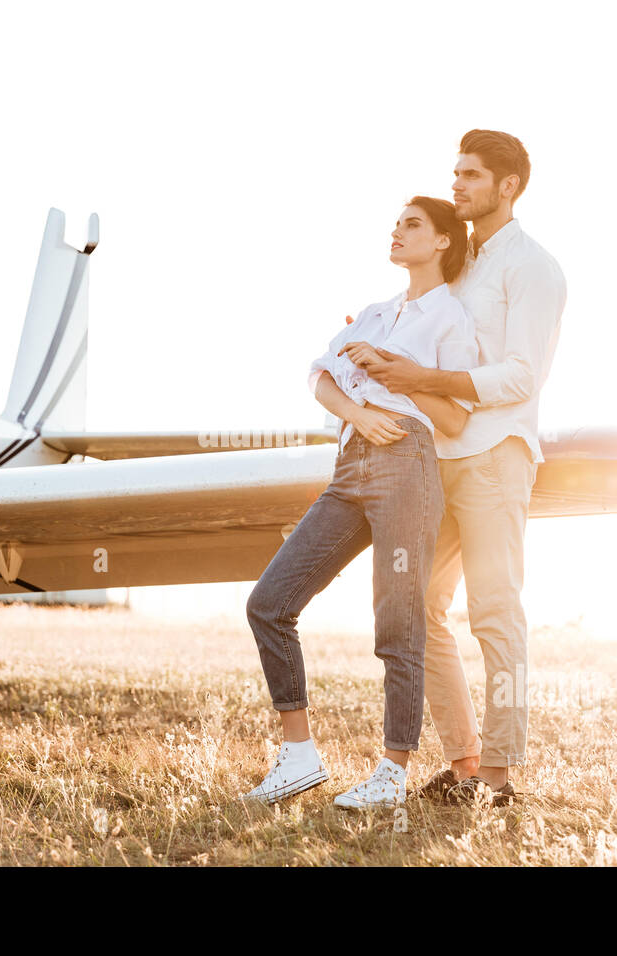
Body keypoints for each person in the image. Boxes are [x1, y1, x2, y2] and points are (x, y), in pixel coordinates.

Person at [243, 196, 476, 809]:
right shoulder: (373, 312)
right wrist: (358, 412)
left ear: (444, 242)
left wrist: (402, 376)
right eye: (396, 223)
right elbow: (319, 374)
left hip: (407, 464)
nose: (396, 231)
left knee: (398, 624)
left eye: (412, 225)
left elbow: (454, 418)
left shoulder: (452, 319)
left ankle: (392, 773)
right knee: (269, 602)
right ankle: (298, 756)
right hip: (352, 462)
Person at [360, 129, 567, 806]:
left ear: (509, 186)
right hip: (435, 460)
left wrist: (425, 378)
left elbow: (520, 376)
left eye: (472, 176)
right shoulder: (460, 265)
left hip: (494, 460)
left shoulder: (532, 268)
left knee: (495, 612)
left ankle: (501, 780)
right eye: (455, 174)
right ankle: (465, 764)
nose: (459, 186)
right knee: (417, 605)